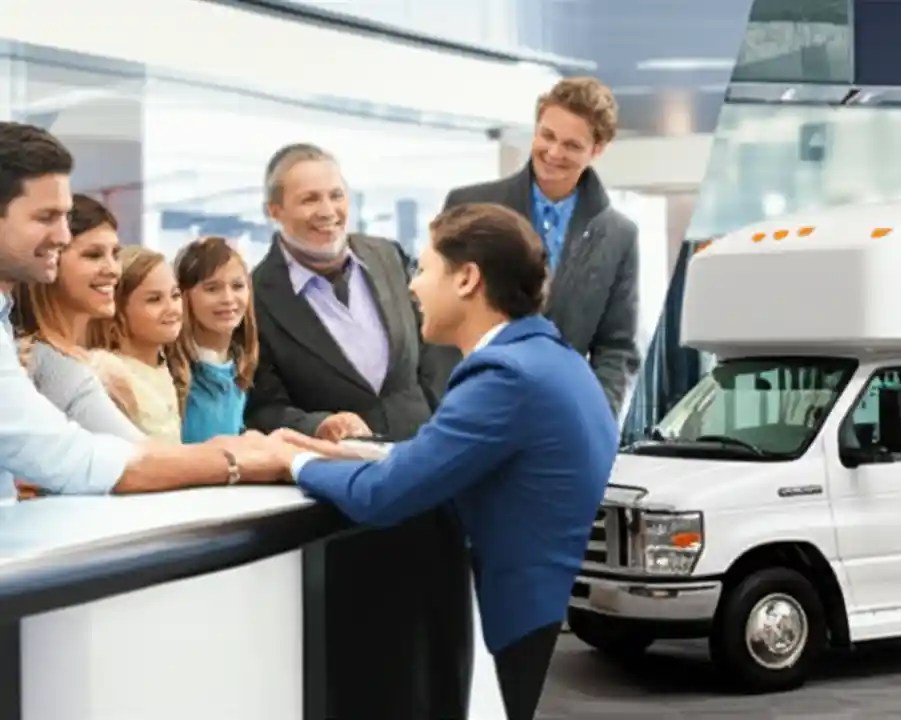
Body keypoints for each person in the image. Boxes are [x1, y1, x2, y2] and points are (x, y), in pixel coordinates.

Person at [279, 203, 620, 720]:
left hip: (533, 626)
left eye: (424, 268)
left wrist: (290, 463)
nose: (412, 286)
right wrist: (348, 452)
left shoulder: (503, 374)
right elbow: (441, 455)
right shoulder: (548, 358)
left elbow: (383, 496)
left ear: (467, 279)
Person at [245, 142, 470, 719]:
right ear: (275, 210)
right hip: (346, 508)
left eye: (336, 194)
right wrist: (317, 424)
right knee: (368, 670)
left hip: (429, 480)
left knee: (443, 652)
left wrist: (448, 428)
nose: (328, 210)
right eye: (309, 198)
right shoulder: (254, 293)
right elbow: (263, 407)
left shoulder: (387, 257)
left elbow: (430, 353)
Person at [0, 120, 325, 497]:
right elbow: (74, 461)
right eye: (45, 217)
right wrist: (240, 462)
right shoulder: (57, 361)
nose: (61, 235)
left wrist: (240, 451)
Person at [434, 76, 641, 417]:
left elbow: (616, 348)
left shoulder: (619, 235)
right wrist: (445, 401)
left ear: (597, 149)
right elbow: (439, 310)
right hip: (471, 405)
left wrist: (597, 419)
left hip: (560, 417)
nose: (554, 153)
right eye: (547, 136)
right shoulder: (470, 205)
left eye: (572, 145)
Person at [10, 193, 144, 441]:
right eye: (93, 255)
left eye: (115, 254)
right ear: (50, 262)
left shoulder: (74, 360)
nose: (113, 270)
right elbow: (140, 458)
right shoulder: (46, 362)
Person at [85, 246, 186, 444]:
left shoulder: (166, 367)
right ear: (117, 309)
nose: (172, 308)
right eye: (154, 300)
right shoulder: (109, 376)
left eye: (175, 295)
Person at [173, 235, 258, 443]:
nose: (228, 299)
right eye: (212, 288)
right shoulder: (174, 370)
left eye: (238, 286)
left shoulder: (238, 366)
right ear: (184, 296)